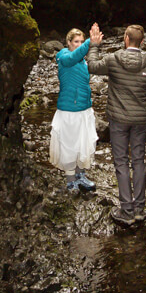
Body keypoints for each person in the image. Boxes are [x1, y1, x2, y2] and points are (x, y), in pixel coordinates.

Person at [87, 22, 146, 226]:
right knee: (138, 160)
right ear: (143, 42)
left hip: (118, 119)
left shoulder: (113, 59)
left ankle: (126, 211)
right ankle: (139, 209)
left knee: (121, 162)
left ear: (126, 39)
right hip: (140, 120)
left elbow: (92, 66)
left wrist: (94, 45)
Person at [49, 28, 97, 191]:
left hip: (84, 109)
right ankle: (71, 181)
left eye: (81, 42)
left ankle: (80, 175)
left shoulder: (83, 61)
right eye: (75, 41)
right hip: (69, 111)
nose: (79, 45)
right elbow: (72, 57)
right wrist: (91, 42)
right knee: (69, 146)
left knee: (83, 144)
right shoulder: (64, 57)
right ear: (68, 43)